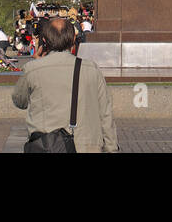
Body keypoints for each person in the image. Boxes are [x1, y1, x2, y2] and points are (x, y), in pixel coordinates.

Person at [11, 17, 117, 152]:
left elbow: (20, 101)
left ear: (44, 41)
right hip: (86, 146)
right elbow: (105, 114)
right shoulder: (91, 69)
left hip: (47, 146)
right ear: (73, 39)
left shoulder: (32, 69)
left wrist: (37, 63)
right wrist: (111, 148)